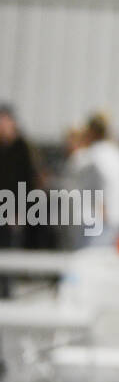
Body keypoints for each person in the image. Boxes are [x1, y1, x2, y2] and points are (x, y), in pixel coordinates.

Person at [79, 111, 119, 245]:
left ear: (91, 132)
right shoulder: (117, 154)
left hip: (99, 215)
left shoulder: (94, 154)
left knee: (91, 257)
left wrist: (103, 204)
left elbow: (102, 178)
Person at [0, 103, 39, 296]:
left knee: (10, 251)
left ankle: (7, 291)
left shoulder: (22, 147)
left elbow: (30, 181)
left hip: (13, 210)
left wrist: (21, 210)